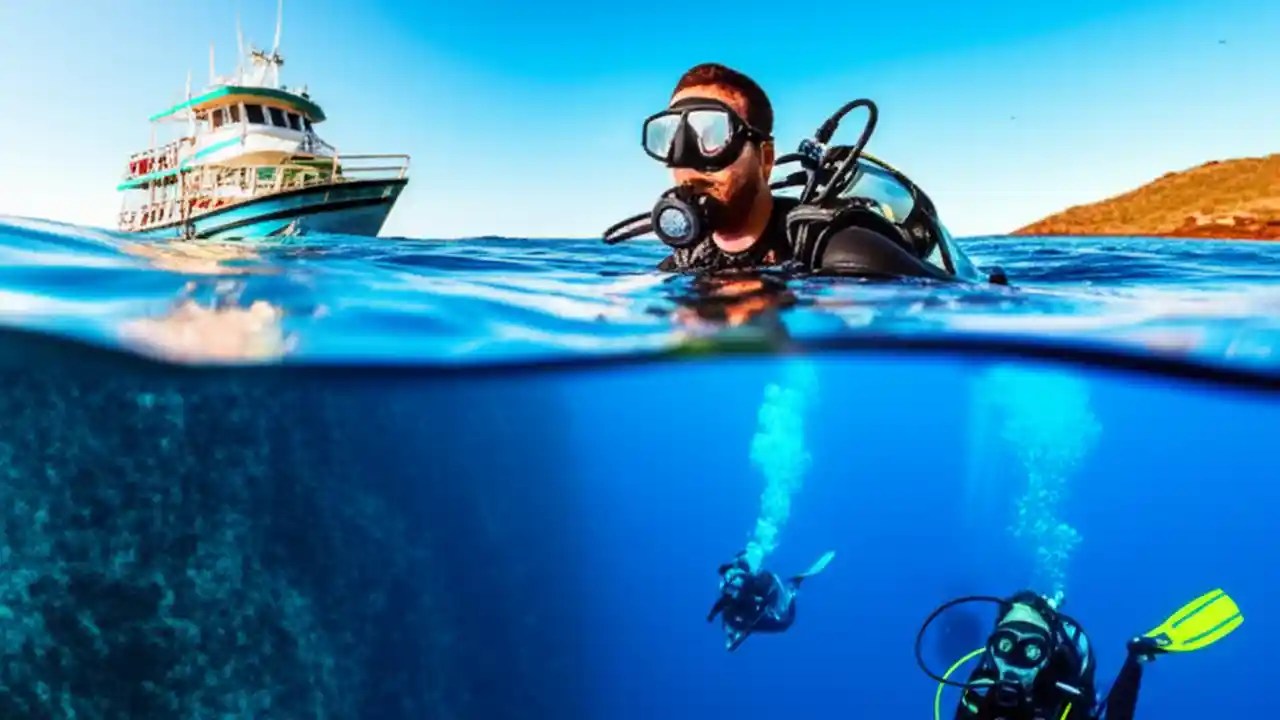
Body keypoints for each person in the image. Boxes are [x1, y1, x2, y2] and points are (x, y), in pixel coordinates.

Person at [608, 62, 1002, 283]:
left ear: (765, 158)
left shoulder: (840, 249)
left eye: (713, 137)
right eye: (668, 139)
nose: (688, 162)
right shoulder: (685, 263)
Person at [916, 588, 1244, 720]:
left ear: (1046, 653)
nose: (1013, 663)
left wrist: (1135, 664)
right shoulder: (980, 686)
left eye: (1031, 649)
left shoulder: (1066, 681)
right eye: (1004, 645)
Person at [706, 549, 835, 652]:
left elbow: (725, 601)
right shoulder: (739, 581)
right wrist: (712, 615)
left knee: (784, 623)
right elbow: (725, 601)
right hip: (750, 609)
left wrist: (712, 615)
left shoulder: (738, 584)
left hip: (757, 605)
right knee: (783, 623)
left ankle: (791, 591)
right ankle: (790, 591)